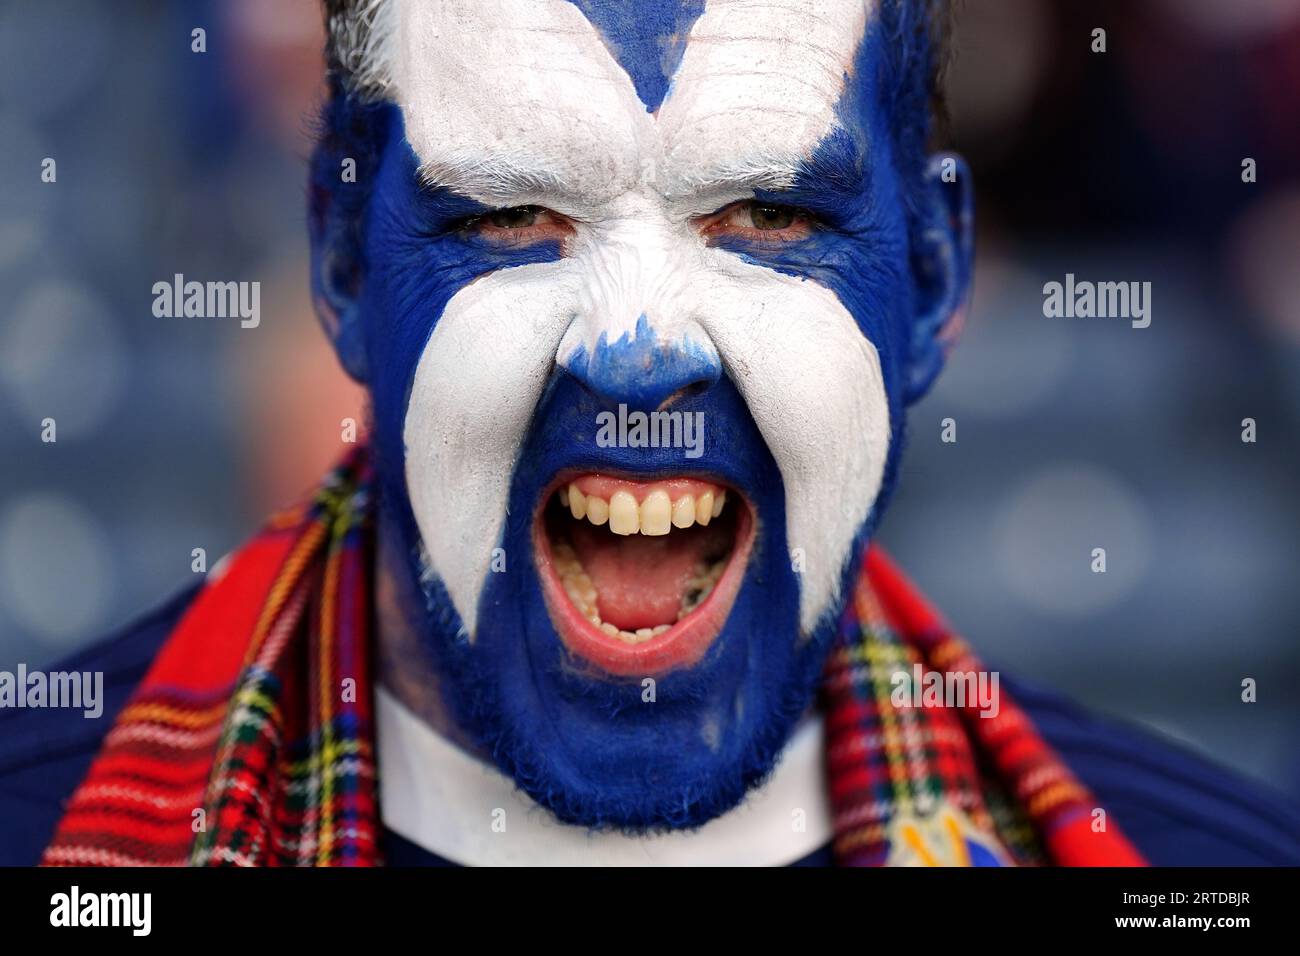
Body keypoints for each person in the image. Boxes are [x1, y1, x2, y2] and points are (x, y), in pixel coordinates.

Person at [3, 0, 1298, 867]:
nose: (637, 343)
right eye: (514, 215)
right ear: (342, 262)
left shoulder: (1209, 868)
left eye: (763, 212)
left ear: (927, 281)